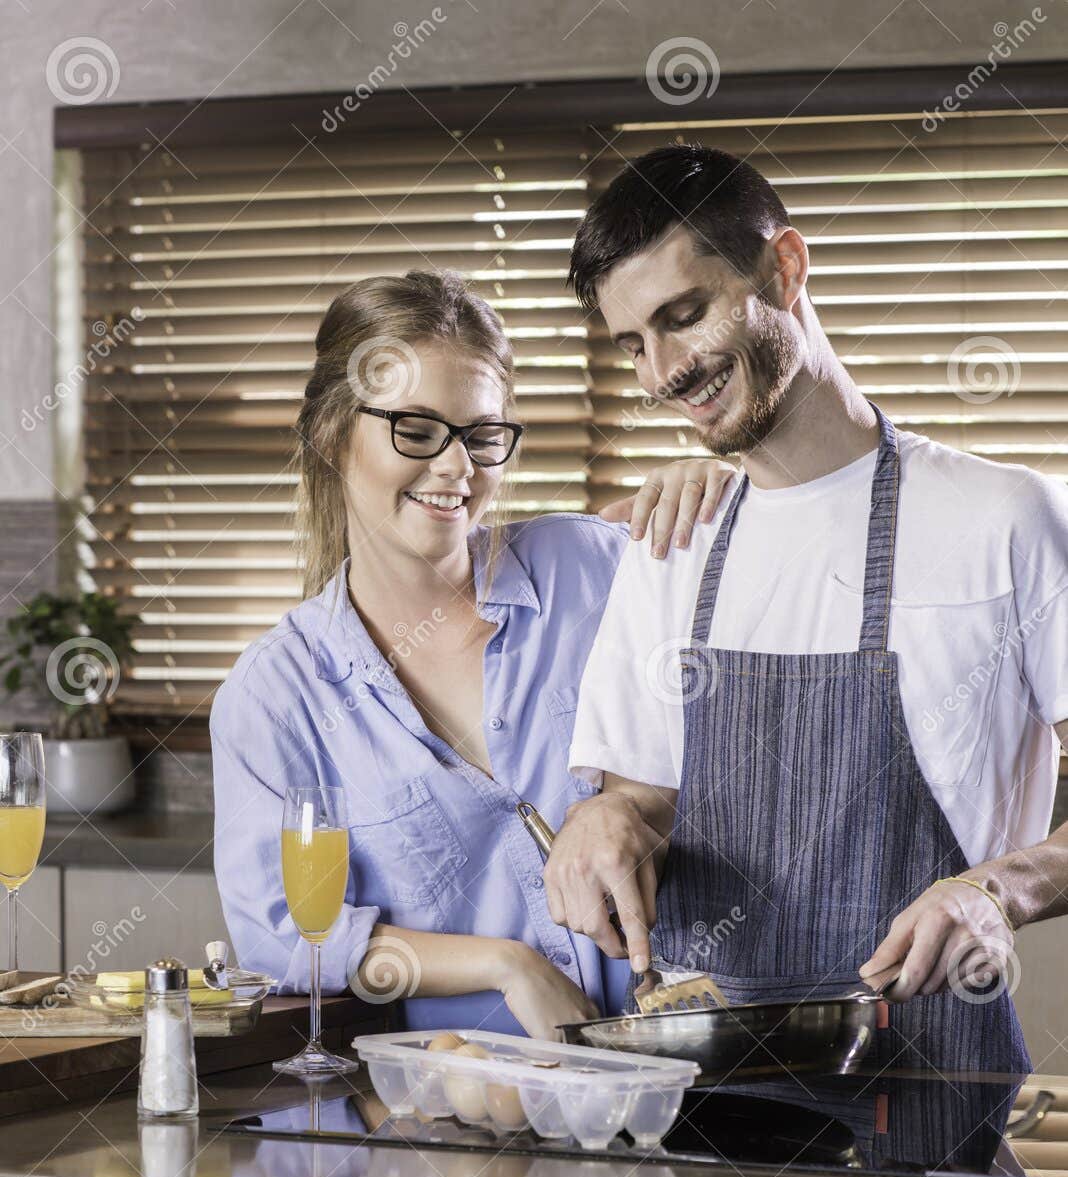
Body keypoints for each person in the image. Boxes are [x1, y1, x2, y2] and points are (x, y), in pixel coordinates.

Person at [544, 144, 1068, 1073]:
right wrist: (603, 824)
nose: (662, 372)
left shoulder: (1005, 519)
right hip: (696, 1095)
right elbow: (643, 800)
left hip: (929, 1083)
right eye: (634, 344)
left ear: (784, 269)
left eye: (685, 316)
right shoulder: (672, 540)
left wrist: (997, 891)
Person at [210, 269, 727, 1040]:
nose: (458, 468)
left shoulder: (595, 571)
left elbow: (766, 660)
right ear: (329, 435)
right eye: (415, 431)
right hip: (463, 1115)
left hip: (691, 1080)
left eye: (482, 436)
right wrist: (505, 965)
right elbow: (284, 934)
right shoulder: (278, 695)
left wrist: (726, 494)